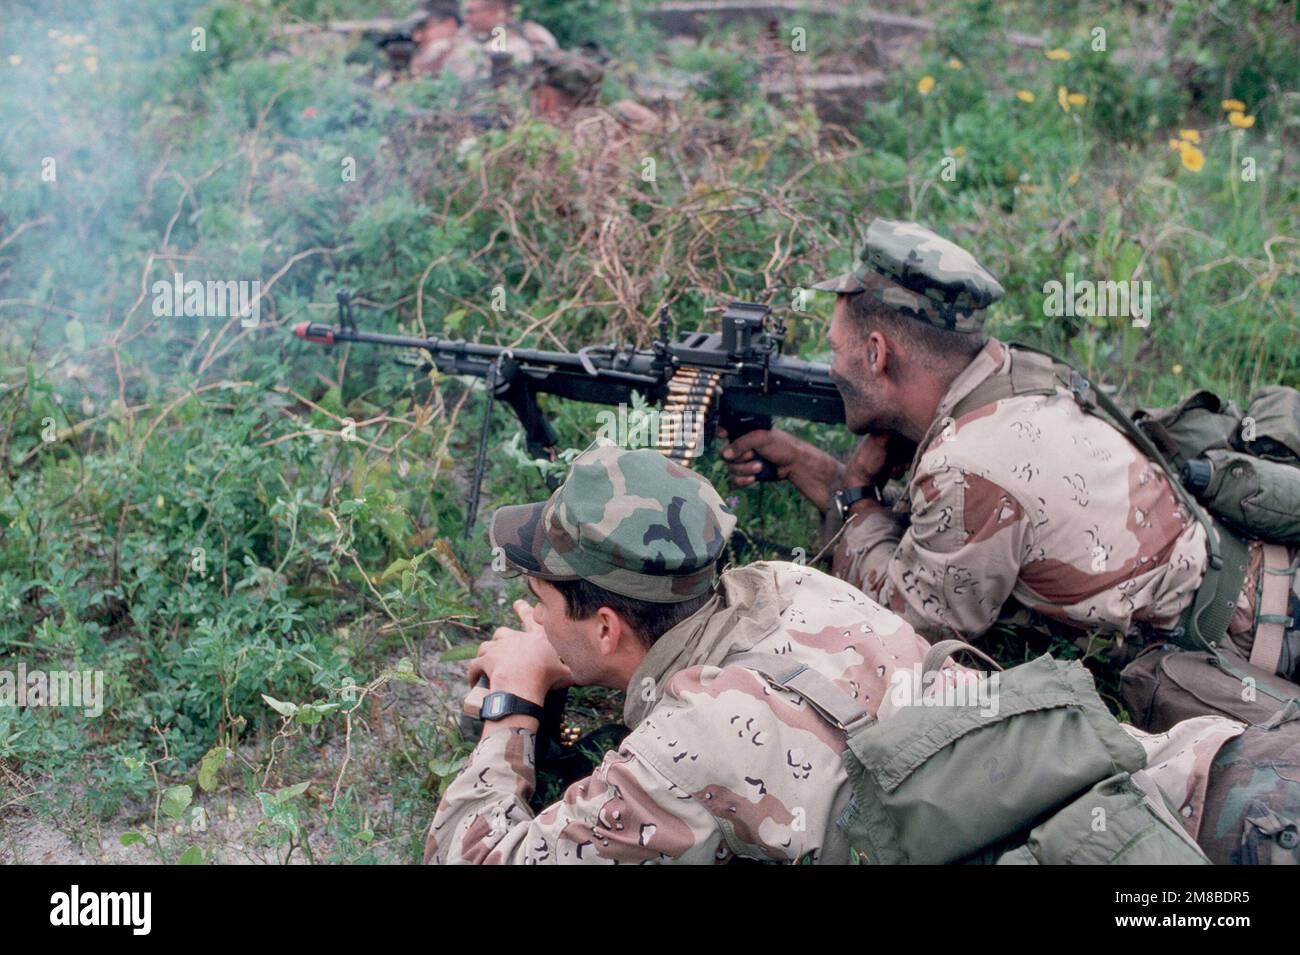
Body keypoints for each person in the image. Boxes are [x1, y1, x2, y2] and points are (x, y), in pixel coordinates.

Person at [422, 442, 1248, 864]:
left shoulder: (686, 741)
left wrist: (516, 704)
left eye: (540, 590)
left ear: (606, 627)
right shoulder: (787, 584)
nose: (527, 604)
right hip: (1210, 765)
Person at [720, 218, 1299, 686]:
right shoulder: (1012, 372)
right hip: (1259, 563)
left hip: (1259, 639)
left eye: (836, 349)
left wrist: (854, 498)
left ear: (877, 354)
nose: (831, 367)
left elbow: (902, 627)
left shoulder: (969, 466)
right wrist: (806, 465)